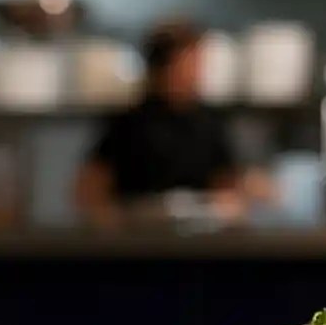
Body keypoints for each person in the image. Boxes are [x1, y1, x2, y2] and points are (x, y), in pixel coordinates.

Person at [75, 21, 240, 226]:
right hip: (139, 235)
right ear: (161, 69)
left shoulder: (209, 121)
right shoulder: (129, 122)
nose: (196, 74)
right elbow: (92, 184)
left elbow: (225, 181)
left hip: (199, 234)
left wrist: (230, 203)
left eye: (199, 65)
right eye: (188, 65)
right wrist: (106, 221)